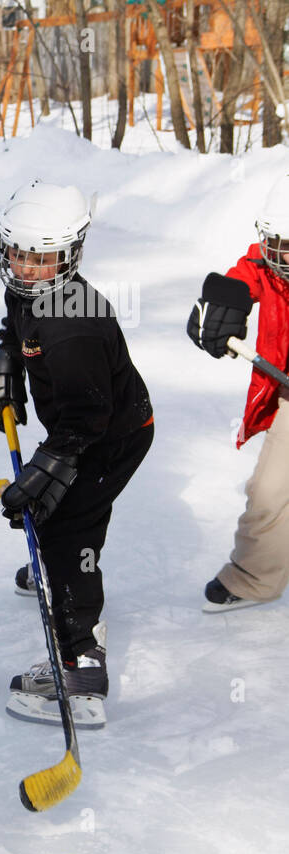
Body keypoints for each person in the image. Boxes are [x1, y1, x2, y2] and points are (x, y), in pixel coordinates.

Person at [0, 181, 153, 730]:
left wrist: (52, 465)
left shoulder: (72, 321)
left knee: (62, 526)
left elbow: (89, 418)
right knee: (66, 514)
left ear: (70, 254)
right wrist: (7, 359)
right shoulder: (31, 290)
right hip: (84, 426)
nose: (27, 268)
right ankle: (64, 569)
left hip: (109, 437)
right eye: (18, 254)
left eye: (42, 258)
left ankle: (82, 666)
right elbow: (16, 324)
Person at [186, 175, 289, 613]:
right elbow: (249, 272)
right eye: (278, 245)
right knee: (268, 490)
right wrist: (225, 301)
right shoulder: (276, 265)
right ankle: (255, 577)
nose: (282, 257)